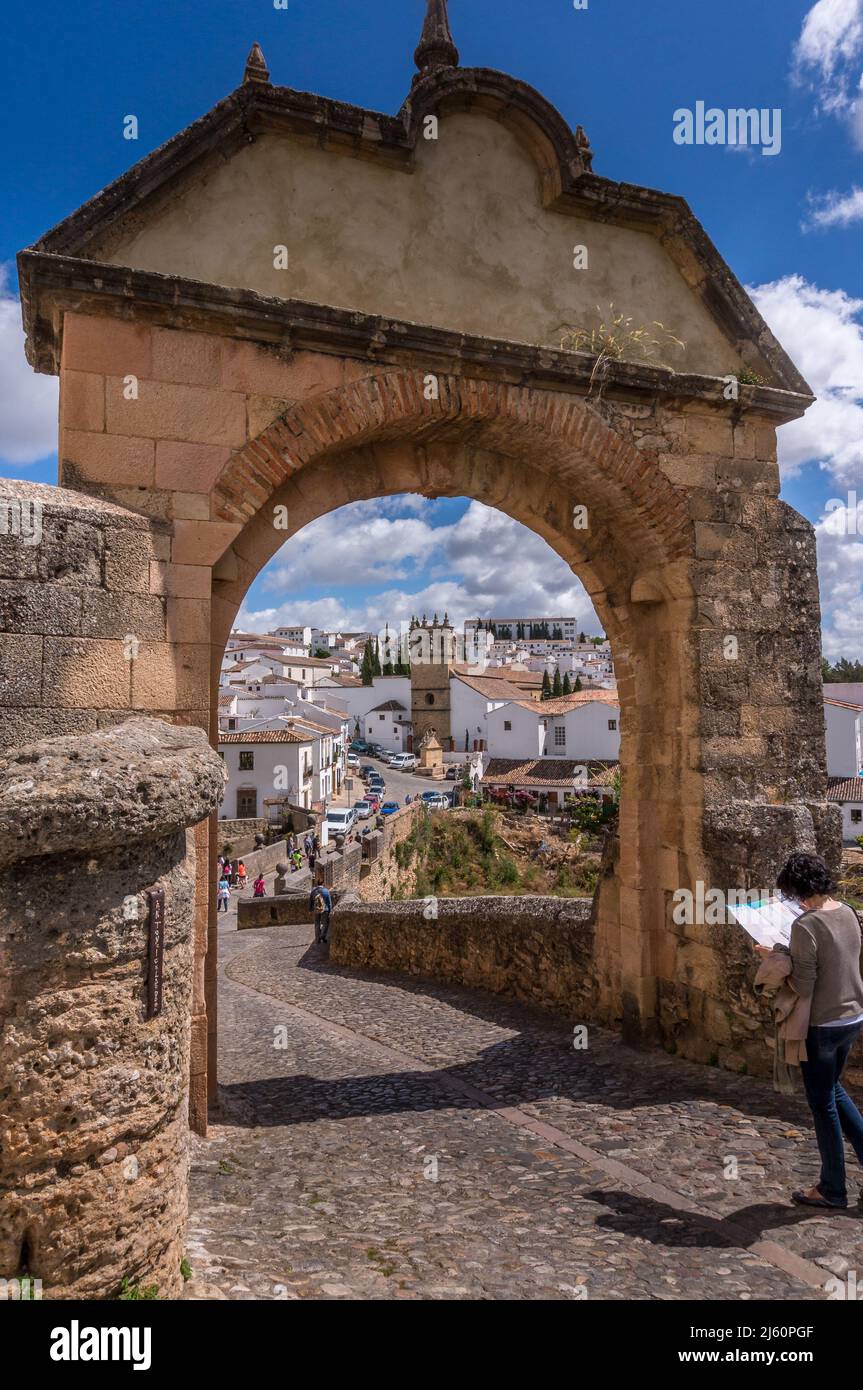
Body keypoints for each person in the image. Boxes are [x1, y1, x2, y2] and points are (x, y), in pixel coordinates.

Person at [766, 852, 863, 1210]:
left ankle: (832, 1188)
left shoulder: (805, 926)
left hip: (822, 1024)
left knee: (822, 1104)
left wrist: (774, 957)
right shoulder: (849, 912)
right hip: (852, 1017)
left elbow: (803, 984)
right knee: (833, 1090)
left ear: (799, 890)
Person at [309, 873, 333, 945]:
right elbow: (329, 902)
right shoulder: (326, 891)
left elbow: (310, 901)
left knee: (317, 924)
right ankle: (323, 936)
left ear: (317, 883)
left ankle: (317, 938)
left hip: (316, 909)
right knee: (325, 923)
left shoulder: (313, 891)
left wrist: (310, 910)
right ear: (323, 883)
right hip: (325, 910)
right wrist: (330, 910)